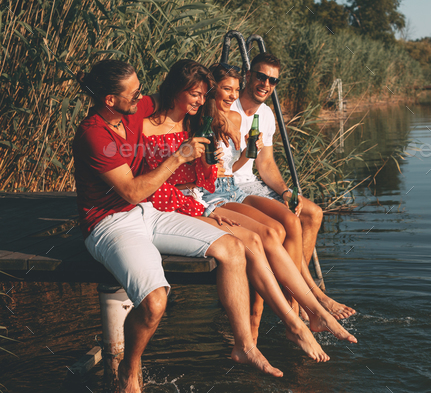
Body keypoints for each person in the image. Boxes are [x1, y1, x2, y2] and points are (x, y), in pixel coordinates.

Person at [73, 59, 284, 393]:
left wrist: (219, 114)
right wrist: (179, 157)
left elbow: (177, 94)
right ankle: (130, 367)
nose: (141, 97)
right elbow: (132, 190)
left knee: (232, 247)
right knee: (155, 302)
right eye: (134, 92)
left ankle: (244, 345)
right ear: (110, 100)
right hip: (110, 223)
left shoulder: (134, 106)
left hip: (148, 212)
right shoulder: (94, 135)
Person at [141, 60, 358, 348]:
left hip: (204, 195)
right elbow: (188, 179)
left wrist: (245, 160)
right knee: (268, 234)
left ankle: (305, 309)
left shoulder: (212, 119)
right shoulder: (180, 121)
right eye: (210, 92)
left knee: (292, 222)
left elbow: (241, 166)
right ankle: (295, 316)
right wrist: (201, 168)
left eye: (205, 95)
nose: (206, 99)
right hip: (197, 200)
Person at [231, 53, 356, 320]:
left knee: (313, 213)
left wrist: (286, 191)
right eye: (261, 76)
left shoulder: (265, 114)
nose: (266, 84)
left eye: (273, 81)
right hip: (230, 188)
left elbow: (265, 165)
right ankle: (305, 299)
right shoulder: (227, 107)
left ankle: (293, 292)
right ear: (248, 75)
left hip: (252, 184)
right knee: (287, 222)